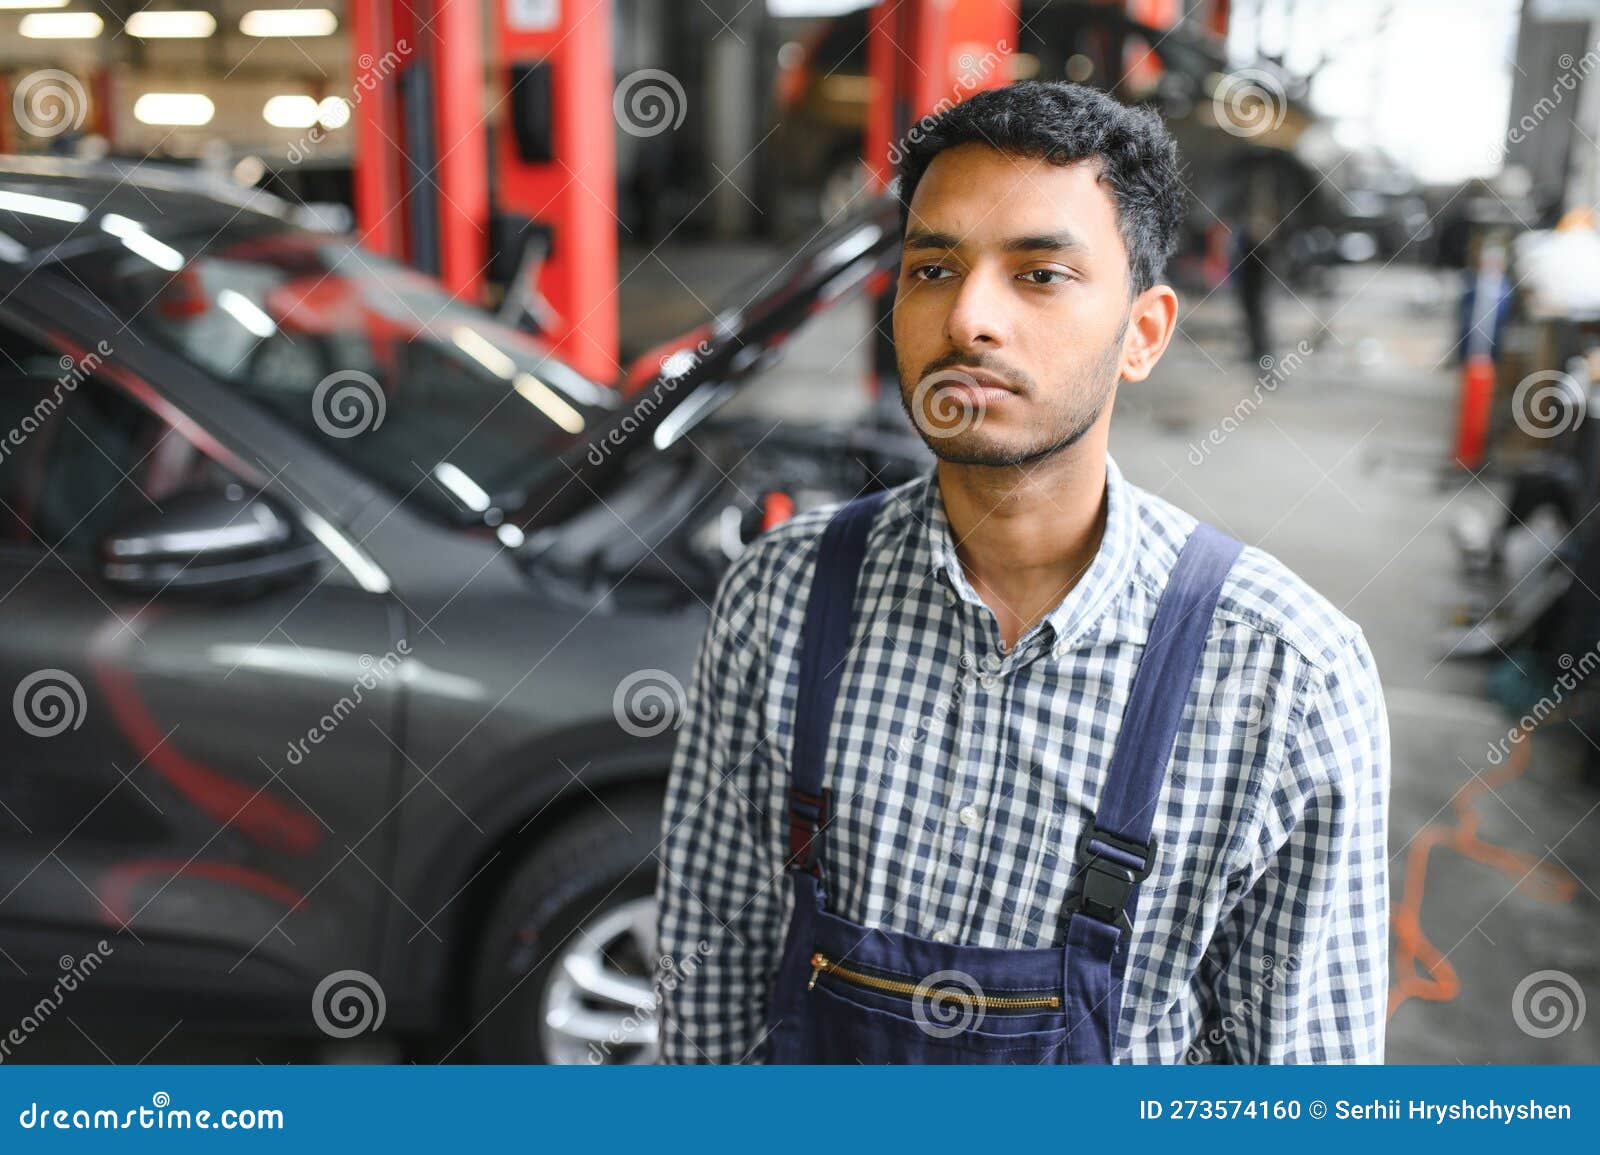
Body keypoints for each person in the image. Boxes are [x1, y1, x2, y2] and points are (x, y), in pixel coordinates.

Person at [656, 81, 1389, 1064]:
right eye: (931, 268)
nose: (969, 319)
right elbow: (712, 975)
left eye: (1039, 274)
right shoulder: (779, 600)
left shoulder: (1286, 678)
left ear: (1143, 333)